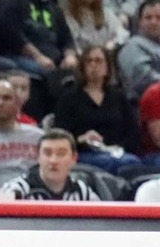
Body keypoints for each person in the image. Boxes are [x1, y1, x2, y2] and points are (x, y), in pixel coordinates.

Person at [54, 45, 141, 173]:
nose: (94, 65)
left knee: (132, 163)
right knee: (116, 163)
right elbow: (61, 134)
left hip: (117, 152)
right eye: (89, 61)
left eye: (99, 60)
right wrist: (81, 139)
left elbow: (133, 132)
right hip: (84, 153)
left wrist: (118, 147)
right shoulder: (69, 98)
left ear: (107, 67)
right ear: (82, 66)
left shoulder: (118, 97)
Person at [4, 128, 101, 199]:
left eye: (61, 154)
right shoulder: (17, 190)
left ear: (73, 158)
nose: (53, 160)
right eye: (47, 153)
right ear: (38, 157)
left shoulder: (82, 192)